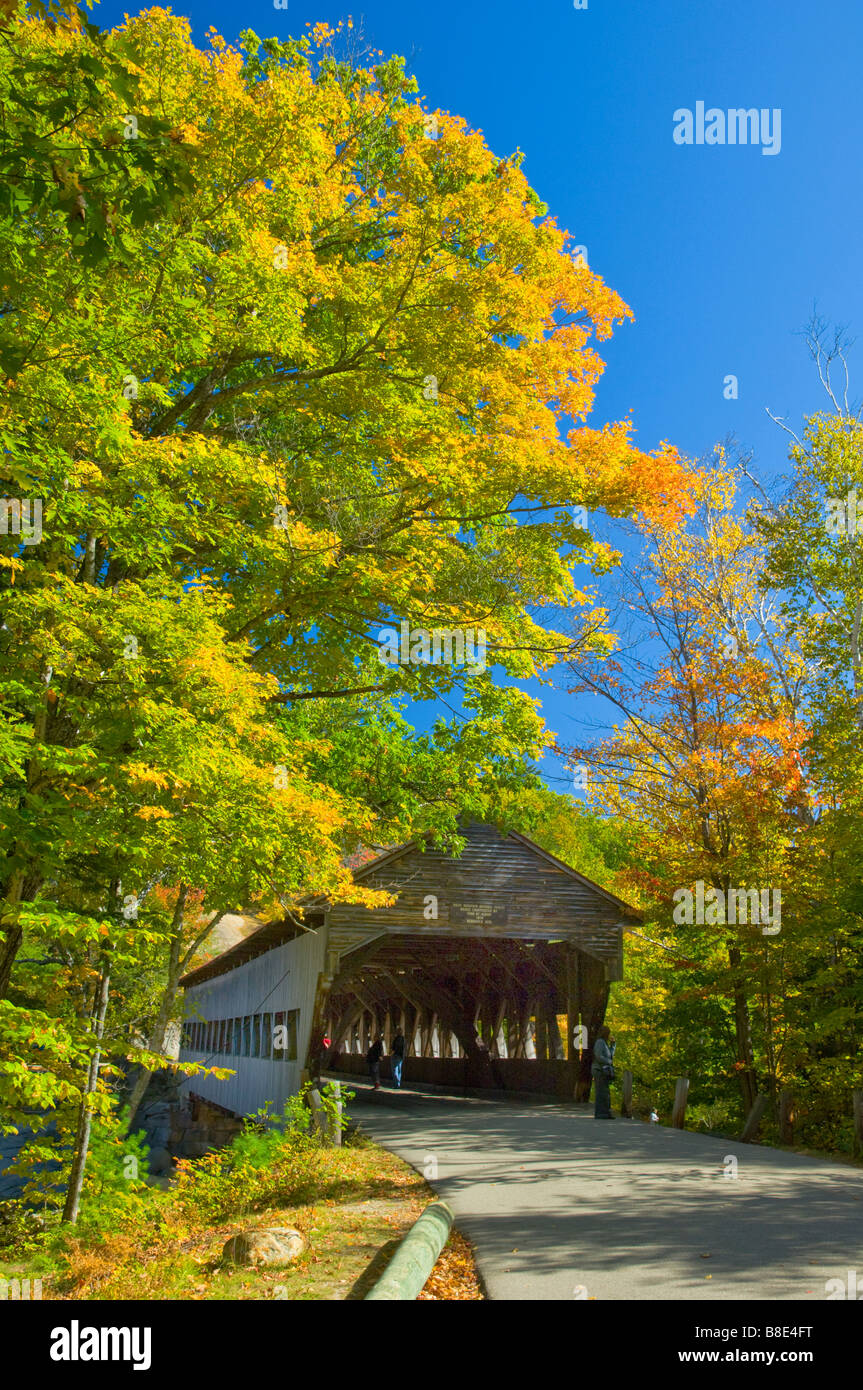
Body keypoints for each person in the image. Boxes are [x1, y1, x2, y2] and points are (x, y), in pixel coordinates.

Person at [592, 1024, 616, 1119]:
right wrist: (609, 1062)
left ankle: (605, 1112)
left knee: (605, 1092)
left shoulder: (604, 1043)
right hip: (599, 1070)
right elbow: (598, 1056)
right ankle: (600, 1113)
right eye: (608, 1033)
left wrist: (613, 1045)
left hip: (604, 1070)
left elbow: (610, 1055)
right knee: (601, 1091)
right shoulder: (599, 1042)